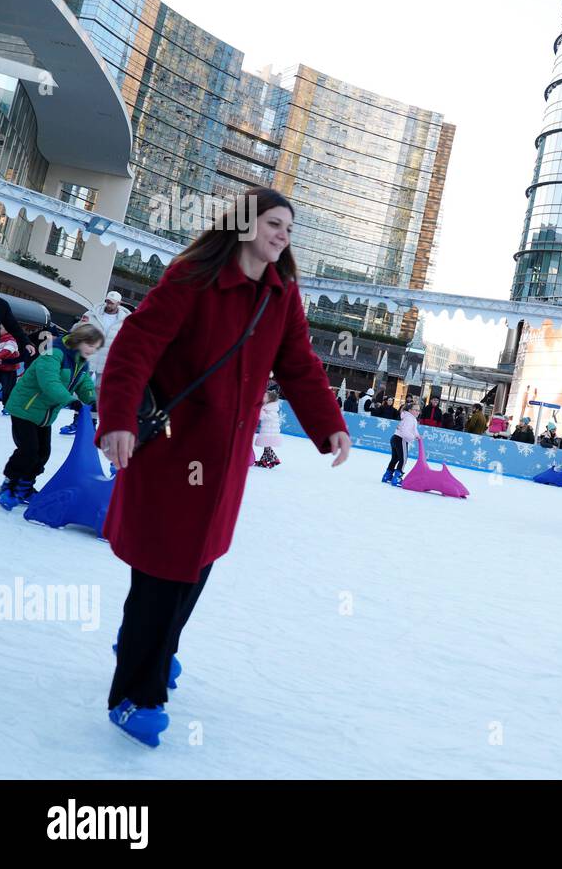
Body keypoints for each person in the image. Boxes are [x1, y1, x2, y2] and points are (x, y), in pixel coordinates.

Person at [96, 187, 350, 747]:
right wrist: (116, 418)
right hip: (172, 451)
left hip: (224, 464)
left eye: (289, 228)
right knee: (163, 571)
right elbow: (136, 345)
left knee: (198, 563)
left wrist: (329, 422)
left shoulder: (281, 295)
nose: (283, 235)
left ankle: (153, 647)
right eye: (274, 223)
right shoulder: (194, 277)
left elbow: (300, 364)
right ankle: (135, 694)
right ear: (244, 224)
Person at [0, 322, 102, 509]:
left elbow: (84, 384)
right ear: (80, 340)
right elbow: (49, 382)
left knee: (43, 453)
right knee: (28, 450)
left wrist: (91, 400)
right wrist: (70, 400)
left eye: (96, 348)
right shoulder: (53, 353)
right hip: (25, 408)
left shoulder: (81, 362)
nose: (93, 351)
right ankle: (9, 485)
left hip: (45, 413)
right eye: (91, 346)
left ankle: (25, 486)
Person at [382, 399, 419, 486]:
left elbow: (413, 429)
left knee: (395, 459)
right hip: (401, 439)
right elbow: (405, 431)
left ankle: (387, 475)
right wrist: (413, 437)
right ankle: (397, 478)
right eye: (416, 410)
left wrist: (417, 435)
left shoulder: (407, 417)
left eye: (419, 410)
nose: (418, 412)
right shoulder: (410, 419)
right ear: (410, 410)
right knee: (404, 459)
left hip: (395, 438)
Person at [253, 383, 283, 468]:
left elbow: (264, 417)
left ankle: (275, 459)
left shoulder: (271, 409)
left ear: (270, 400)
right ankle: (263, 460)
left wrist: (261, 411)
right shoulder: (268, 408)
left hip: (270, 433)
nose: (263, 398)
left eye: (265, 397)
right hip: (268, 431)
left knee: (267, 447)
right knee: (266, 447)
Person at [0, 328, 20, 413]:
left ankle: (8, 407)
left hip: (9, 369)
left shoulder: (11, 339)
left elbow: (7, 351)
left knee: (8, 389)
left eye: (0, 328)